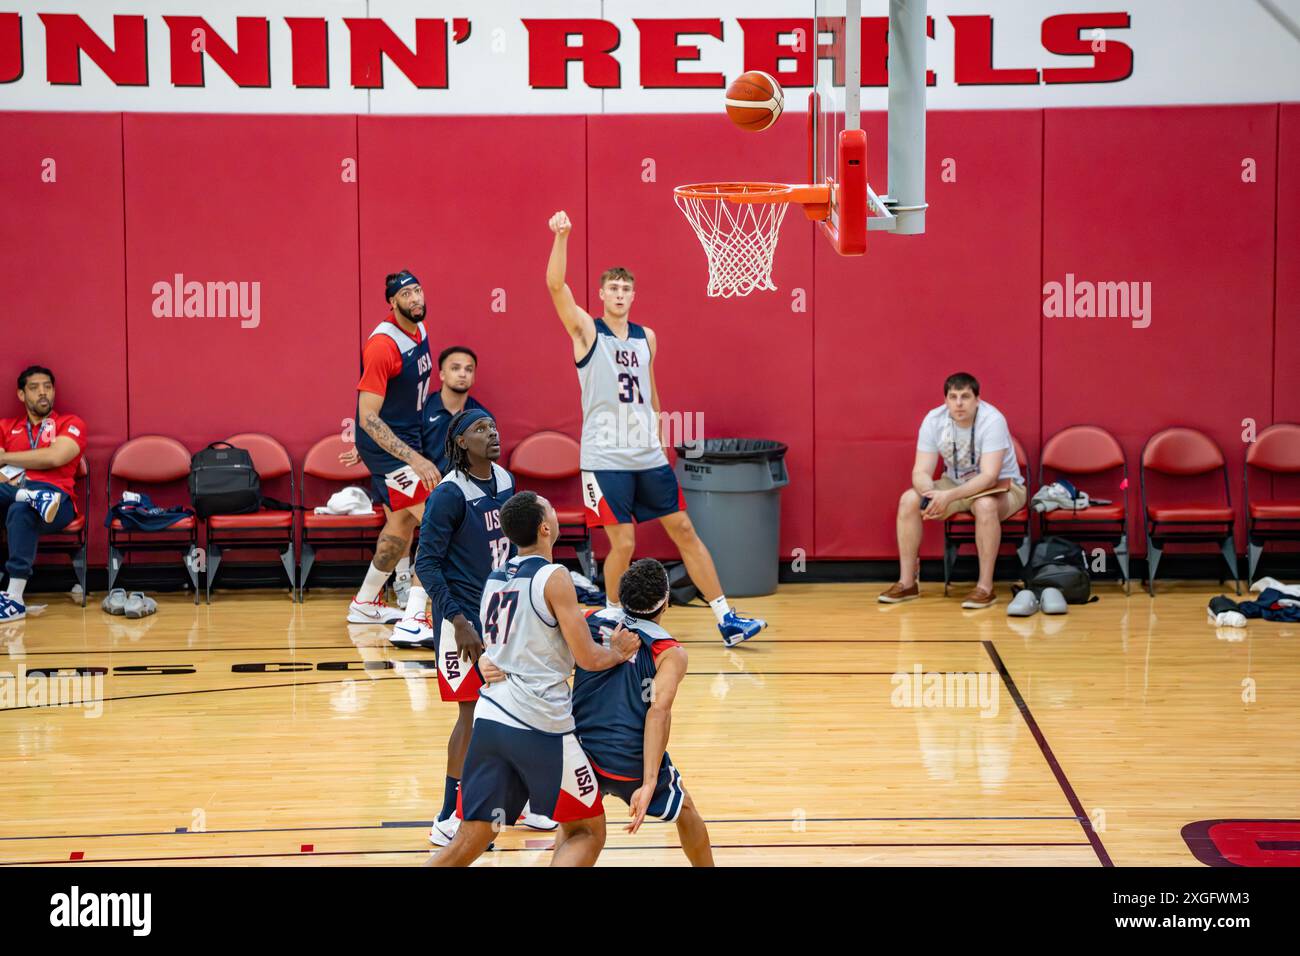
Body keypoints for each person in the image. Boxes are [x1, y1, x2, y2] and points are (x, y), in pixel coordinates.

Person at [545, 210, 765, 647]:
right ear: (602, 293)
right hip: (605, 455)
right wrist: (562, 237)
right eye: (613, 288)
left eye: (627, 288)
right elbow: (555, 286)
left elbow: (650, 391)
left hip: (645, 453)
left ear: (634, 295)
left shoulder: (648, 337)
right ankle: (610, 616)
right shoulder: (587, 331)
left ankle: (726, 617)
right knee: (623, 543)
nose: (620, 293)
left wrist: (661, 437)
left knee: (683, 529)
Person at [426, 491, 639, 867]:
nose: (557, 514)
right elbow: (587, 658)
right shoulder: (554, 577)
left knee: (474, 833)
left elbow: (500, 649)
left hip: (491, 716)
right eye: (553, 510)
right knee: (586, 830)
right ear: (545, 527)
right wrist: (619, 652)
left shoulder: (494, 577)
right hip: (538, 721)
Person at [411, 408, 554, 842]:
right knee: (471, 712)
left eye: (494, 426)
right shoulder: (449, 495)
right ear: (460, 442)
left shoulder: (507, 482)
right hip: (463, 620)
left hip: (501, 614)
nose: (492, 433)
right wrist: (456, 620)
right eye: (480, 429)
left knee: (517, 705)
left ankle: (522, 798)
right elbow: (426, 564)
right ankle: (448, 813)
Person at [574, 558, 714, 865]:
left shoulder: (589, 620)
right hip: (629, 760)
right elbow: (657, 713)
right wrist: (649, 781)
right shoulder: (669, 651)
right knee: (685, 810)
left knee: (576, 831)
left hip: (580, 751)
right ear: (665, 602)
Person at [339, 345, 490, 605]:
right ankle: (408, 595)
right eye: (455, 368)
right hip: (415, 476)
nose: (462, 374)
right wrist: (366, 447)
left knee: (402, 529)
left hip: (452, 488)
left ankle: (366, 602)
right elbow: (392, 435)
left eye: (468, 369)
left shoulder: (480, 416)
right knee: (431, 526)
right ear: (441, 374)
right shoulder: (423, 409)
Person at [878, 372, 1027, 610]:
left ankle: (985, 588)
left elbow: (989, 476)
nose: (958, 403)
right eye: (953, 397)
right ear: (946, 400)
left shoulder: (993, 419)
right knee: (909, 500)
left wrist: (947, 497)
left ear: (977, 400)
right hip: (954, 483)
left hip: (1003, 486)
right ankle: (907, 583)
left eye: (965, 397)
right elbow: (920, 471)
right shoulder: (933, 420)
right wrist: (930, 494)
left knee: (984, 506)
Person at [348, 271, 439, 629]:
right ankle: (416, 616)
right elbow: (368, 416)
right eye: (406, 294)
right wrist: (397, 455)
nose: (415, 298)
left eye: (418, 290)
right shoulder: (383, 345)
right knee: (437, 519)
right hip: (392, 448)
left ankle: (365, 601)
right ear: (392, 302)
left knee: (401, 525)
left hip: (402, 438)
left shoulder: (421, 328)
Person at [0, 366, 86, 623]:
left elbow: (55, 457)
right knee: (20, 504)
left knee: (20, 511)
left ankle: (14, 599)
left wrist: (5, 458)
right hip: (13, 492)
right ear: (21, 394)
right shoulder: (6, 426)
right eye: (35, 387)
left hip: (56, 499)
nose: (42, 392)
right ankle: (27, 496)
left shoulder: (70, 423)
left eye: (47, 386)